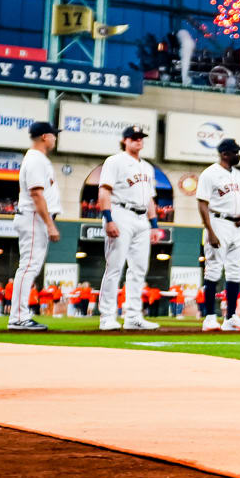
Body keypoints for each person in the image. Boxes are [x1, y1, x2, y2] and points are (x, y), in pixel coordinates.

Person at [97, 125, 160, 332]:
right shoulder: (115, 161)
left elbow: (150, 198)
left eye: (141, 137)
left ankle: (133, 316)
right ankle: (107, 316)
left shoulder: (147, 168)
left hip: (142, 217)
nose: (138, 140)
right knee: (114, 267)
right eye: (134, 138)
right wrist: (108, 219)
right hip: (120, 212)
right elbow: (104, 191)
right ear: (125, 140)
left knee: (139, 268)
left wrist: (154, 225)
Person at [7, 122, 61, 331]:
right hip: (33, 217)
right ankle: (19, 317)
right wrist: (50, 224)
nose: (55, 138)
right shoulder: (36, 160)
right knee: (28, 267)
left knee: (30, 267)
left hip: (34, 217)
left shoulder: (38, 159)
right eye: (53, 135)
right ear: (45, 137)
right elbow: (36, 194)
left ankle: (19, 316)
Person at [197, 138, 240, 332]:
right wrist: (210, 231)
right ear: (224, 154)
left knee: (235, 270)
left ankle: (231, 318)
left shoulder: (239, 176)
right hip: (218, 221)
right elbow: (202, 203)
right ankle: (210, 318)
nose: (238, 155)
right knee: (213, 269)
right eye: (235, 152)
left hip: (236, 225)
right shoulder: (210, 174)